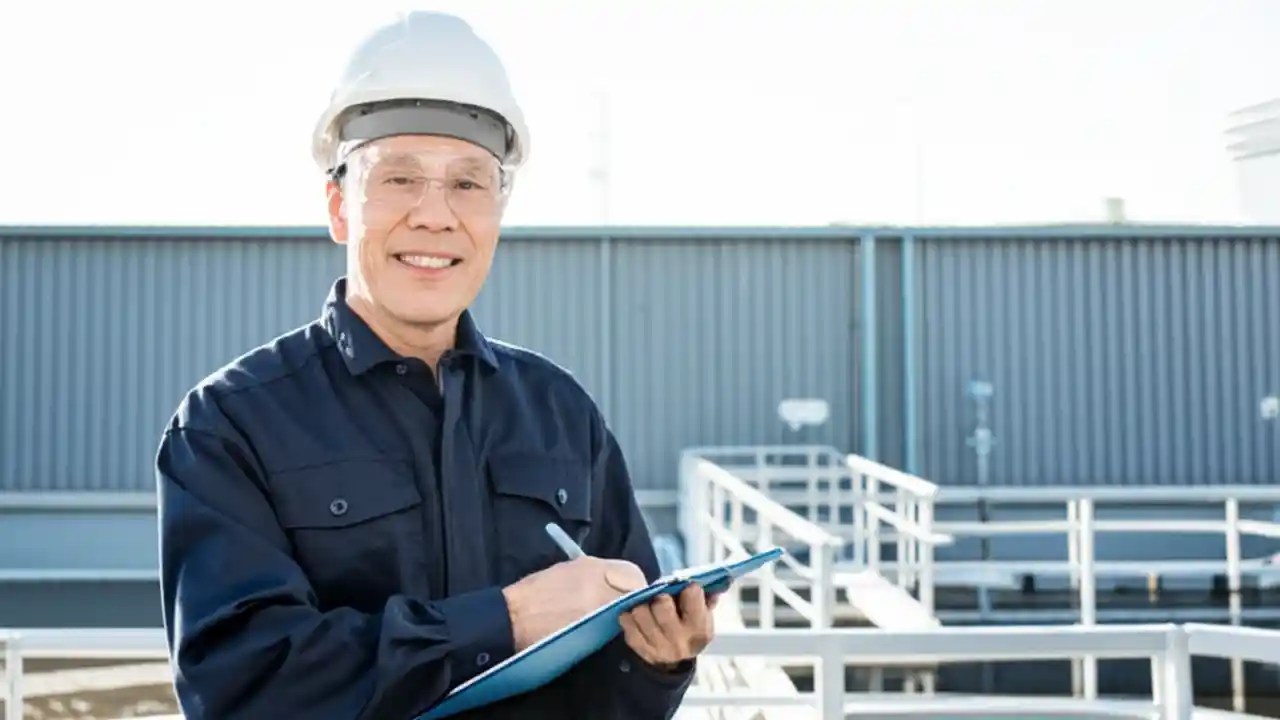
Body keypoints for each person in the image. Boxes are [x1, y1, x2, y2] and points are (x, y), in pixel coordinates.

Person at [154, 11, 714, 719]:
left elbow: (607, 697)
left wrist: (656, 663)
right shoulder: (230, 423)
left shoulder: (560, 413)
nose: (435, 215)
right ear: (339, 206)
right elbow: (243, 685)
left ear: (498, 214)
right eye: (399, 179)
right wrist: (502, 621)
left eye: (468, 184)